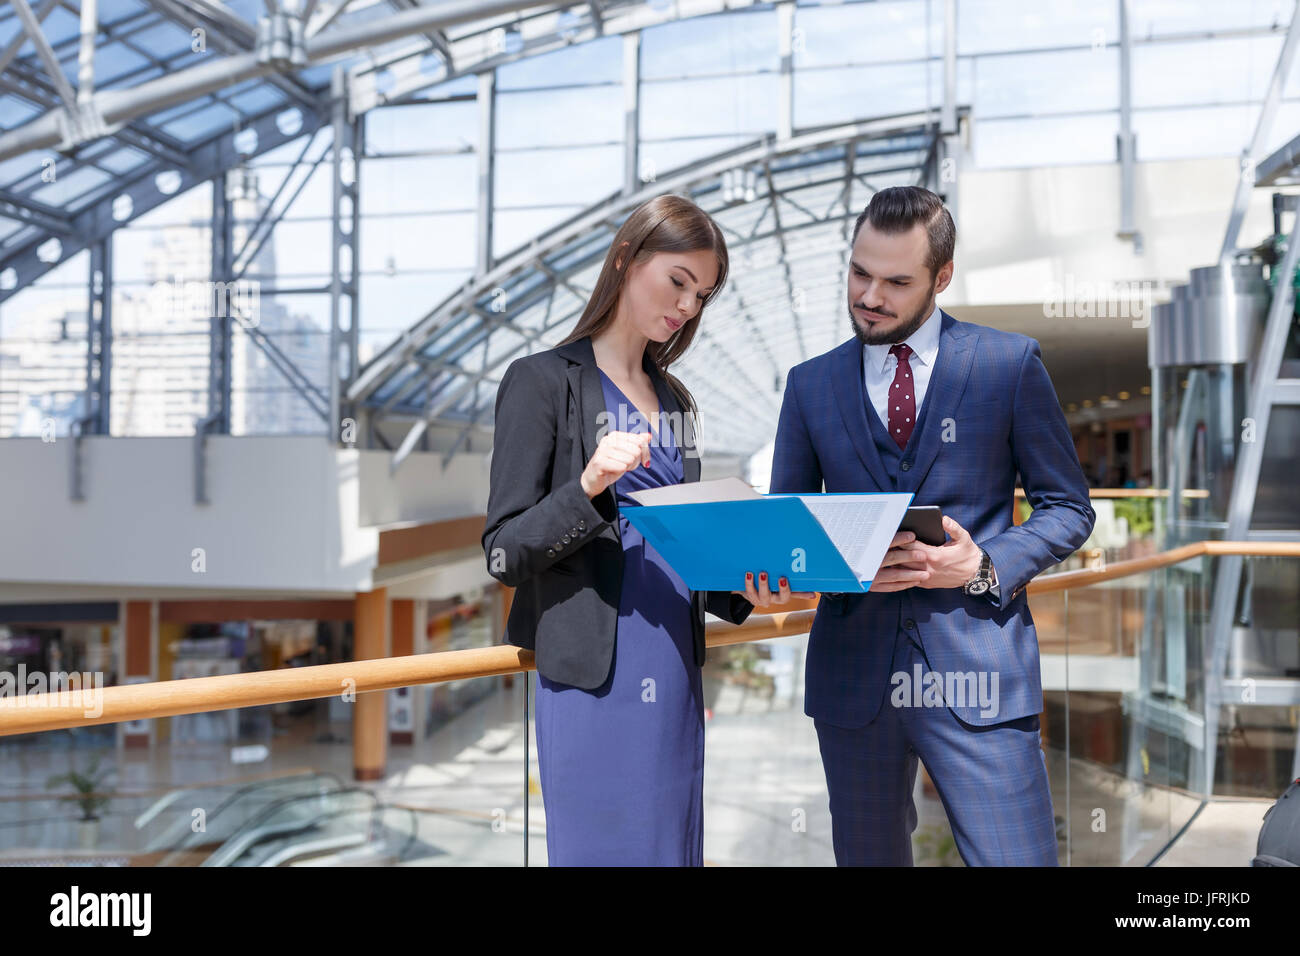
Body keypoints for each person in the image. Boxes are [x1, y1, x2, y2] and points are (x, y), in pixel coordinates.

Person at [770, 186, 1095, 865]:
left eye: (896, 282)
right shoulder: (808, 384)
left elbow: (1068, 506)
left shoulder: (1008, 363)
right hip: (854, 683)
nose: (870, 295)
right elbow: (788, 527)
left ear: (941, 278)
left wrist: (982, 564)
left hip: (980, 674)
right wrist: (819, 566)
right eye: (859, 273)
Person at [483, 193, 809, 866]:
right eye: (679, 282)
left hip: (673, 665)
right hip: (592, 674)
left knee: (669, 846)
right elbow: (504, 552)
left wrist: (748, 590)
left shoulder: (676, 399)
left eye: (703, 295)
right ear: (627, 259)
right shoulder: (541, 381)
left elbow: (677, 544)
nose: (688, 307)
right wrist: (586, 487)